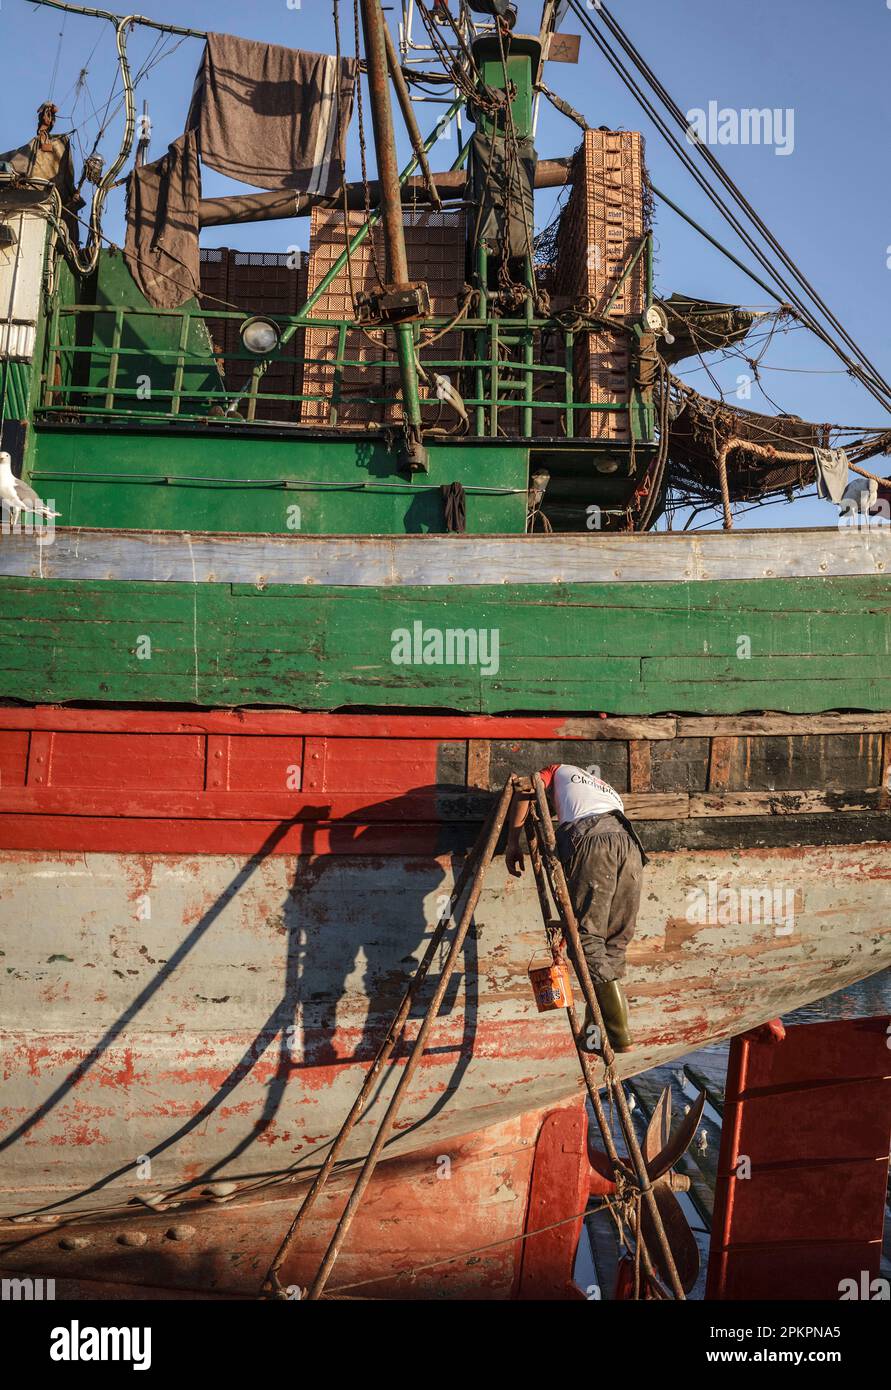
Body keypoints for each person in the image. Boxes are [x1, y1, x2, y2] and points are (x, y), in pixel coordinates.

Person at [505, 764, 647, 1053]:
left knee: (586, 939)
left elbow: (524, 789)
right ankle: (596, 1031)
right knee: (614, 942)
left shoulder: (556, 771)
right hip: (631, 846)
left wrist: (512, 842)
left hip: (594, 842)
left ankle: (620, 1036)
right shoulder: (599, 784)